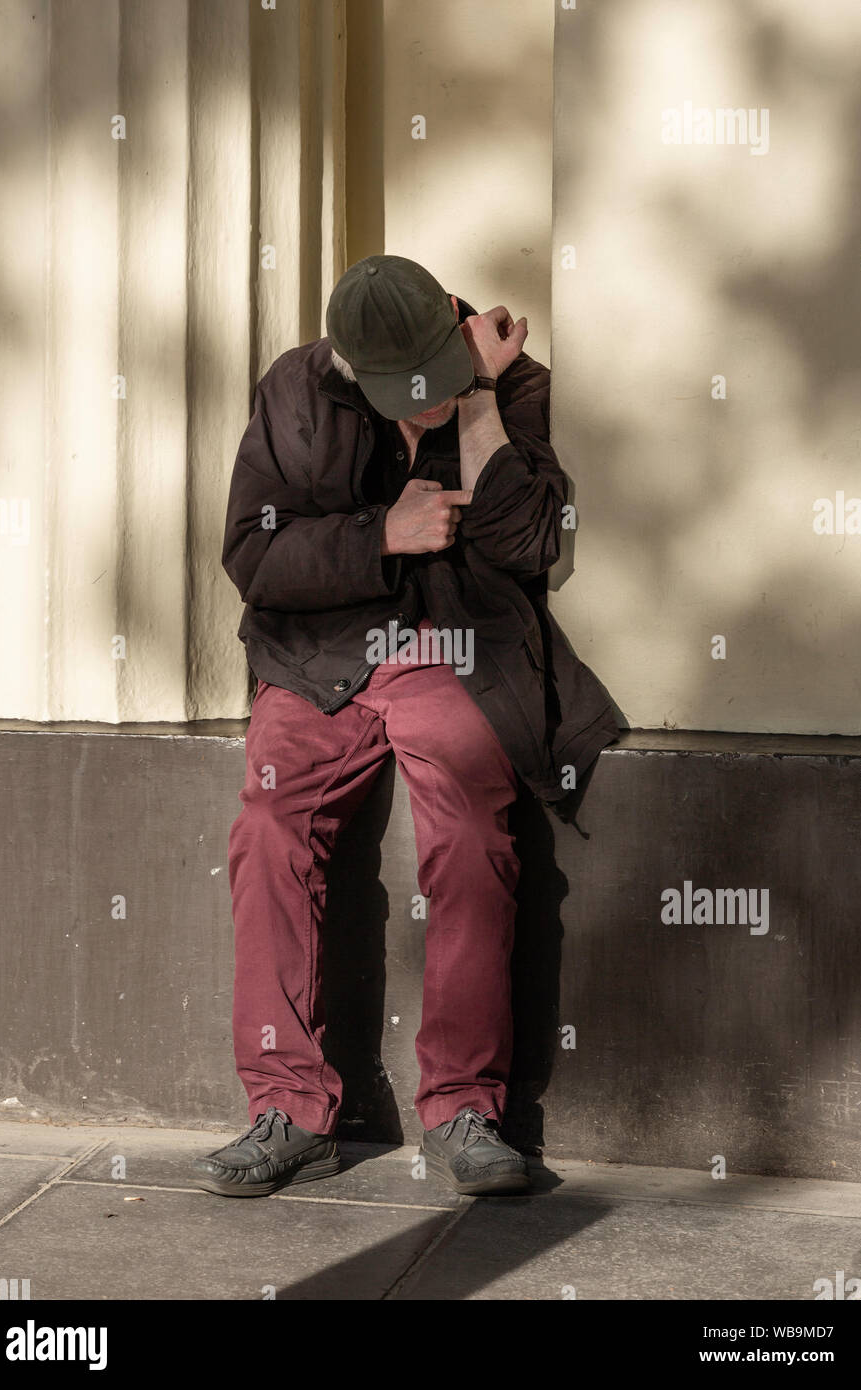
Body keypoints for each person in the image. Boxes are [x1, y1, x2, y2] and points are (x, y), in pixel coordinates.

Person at [191, 254, 619, 1199]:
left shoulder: (506, 390)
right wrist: (379, 532)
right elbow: (252, 553)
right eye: (401, 397)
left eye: (432, 385)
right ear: (346, 365)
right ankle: (288, 1109)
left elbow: (529, 540)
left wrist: (477, 403)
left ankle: (464, 1108)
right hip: (317, 655)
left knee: (472, 827)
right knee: (267, 827)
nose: (414, 408)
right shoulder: (296, 388)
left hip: (452, 650)